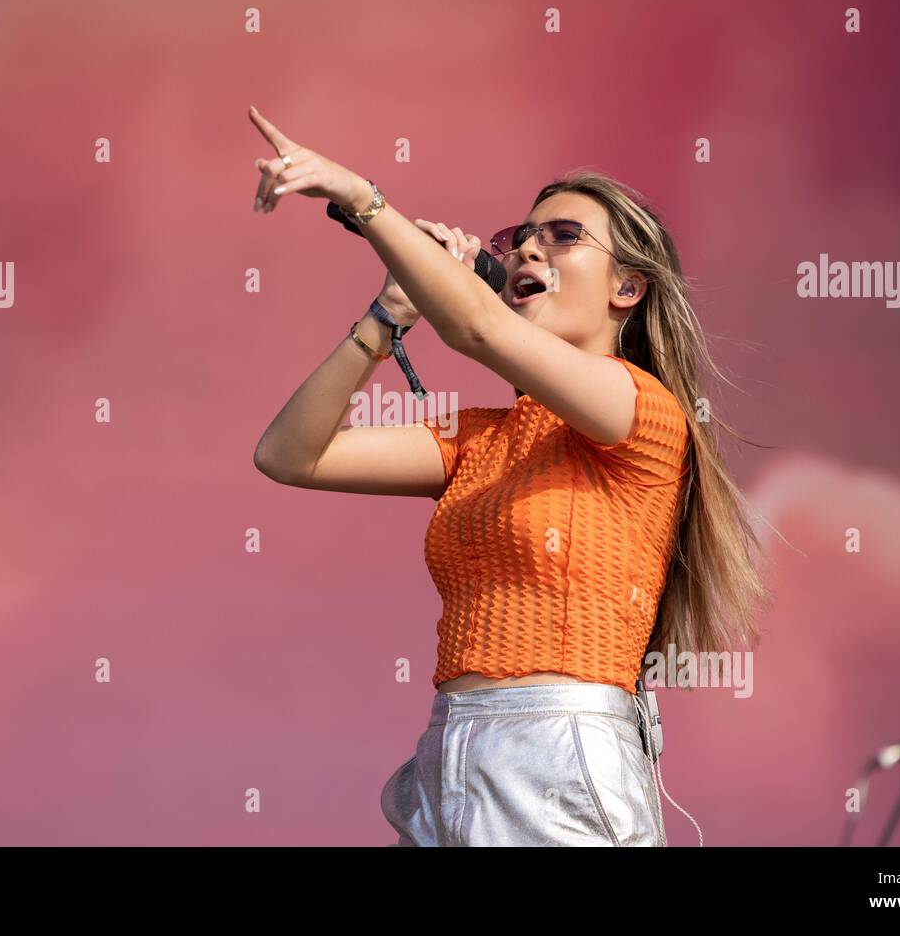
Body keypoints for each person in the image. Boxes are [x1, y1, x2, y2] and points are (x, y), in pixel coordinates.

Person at [247, 105, 769, 846]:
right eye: (519, 239)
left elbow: (479, 329)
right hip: (449, 754)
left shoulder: (642, 410)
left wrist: (360, 197)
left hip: (559, 758)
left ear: (628, 289)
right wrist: (388, 313)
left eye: (563, 237)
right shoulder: (482, 440)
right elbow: (289, 455)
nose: (527, 249)